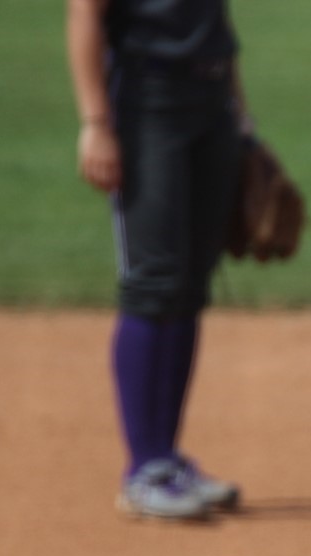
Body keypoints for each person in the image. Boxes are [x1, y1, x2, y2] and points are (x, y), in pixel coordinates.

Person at [66, 0, 248, 521]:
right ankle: (143, 469)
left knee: (189, 284)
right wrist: (96, 123)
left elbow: (216, 20)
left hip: (211, 100)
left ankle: (167, 460)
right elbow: (83, 13)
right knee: (154, 282)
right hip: (146, 103)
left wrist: (241, 115)